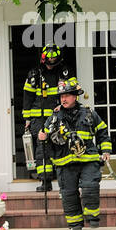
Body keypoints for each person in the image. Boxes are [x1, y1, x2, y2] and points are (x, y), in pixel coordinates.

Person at [38, 76, 111, 230]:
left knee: (90, 186)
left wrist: (105, 150)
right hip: (64, 163)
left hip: (88, 159)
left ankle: (92, 216)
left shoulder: (89, 114)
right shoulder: (54, 118)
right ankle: (75, 224)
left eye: (66, 96)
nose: (63, 99)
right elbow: (44, 136)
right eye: (61, 96)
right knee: (69, 194)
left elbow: (103, 131)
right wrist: (42, 137)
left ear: (75, 96)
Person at [21, 44, 74, 191]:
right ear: (44, 59)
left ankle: (65, 180)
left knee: (62, 145)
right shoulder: (34, 74)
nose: (51, 64)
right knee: (42, 149)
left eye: (54, 60)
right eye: (48, 60)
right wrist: (27, 119)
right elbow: (28, 97)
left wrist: (64, 107)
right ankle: (45, 181)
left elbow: (73, 91)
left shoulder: (65, 72)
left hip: (60, 115)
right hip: (39, 119)